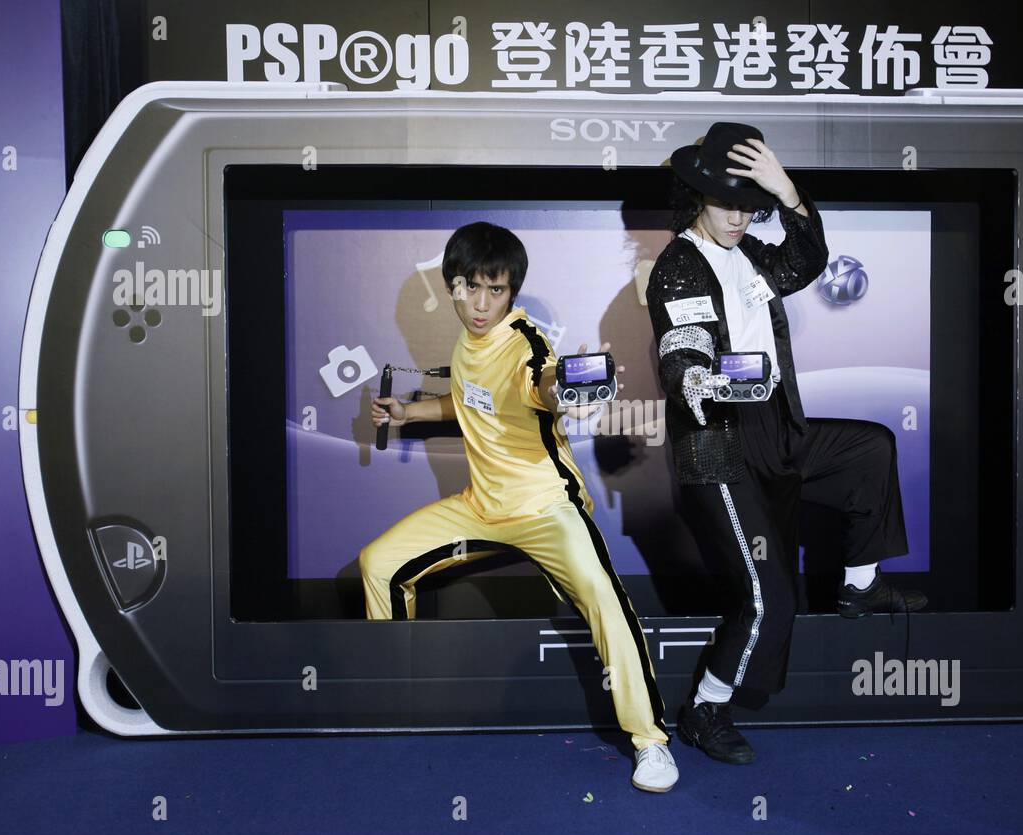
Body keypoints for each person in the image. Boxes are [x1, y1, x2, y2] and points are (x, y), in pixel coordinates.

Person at [359, 222, 677, 792]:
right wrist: (408, 415)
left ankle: (650, 741)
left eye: (496, 291)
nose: (481, 304)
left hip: (545, 507)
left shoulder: (526, 342)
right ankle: (394, 694)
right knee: (378, 564)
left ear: (512, 294)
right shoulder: (466, 343)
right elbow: (470, 401)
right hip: (479, 505)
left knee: (606, 599)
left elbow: (543, 383)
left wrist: (568, 392)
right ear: (451, 286)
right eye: (470, 287)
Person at [646, 122, 926, 765]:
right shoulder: (677, 263)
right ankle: (704, 709)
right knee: (772, 596)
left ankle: (859, 585)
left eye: (751, 204)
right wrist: (693, 379)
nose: (741, 216)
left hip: (777, 428)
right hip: (716, 446)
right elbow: (682, 343)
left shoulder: (747, 254)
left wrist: (790, 195)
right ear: (695, 200)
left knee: (870, 449)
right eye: (727, 203)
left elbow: (806, 262)